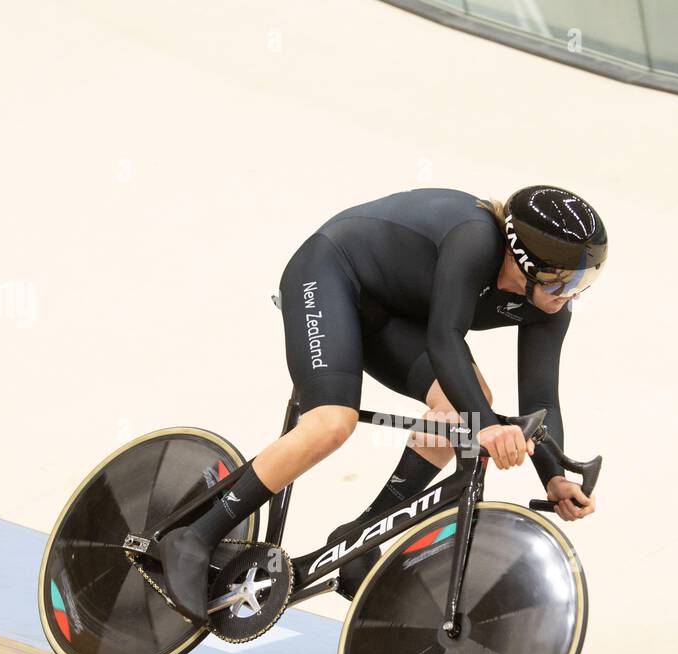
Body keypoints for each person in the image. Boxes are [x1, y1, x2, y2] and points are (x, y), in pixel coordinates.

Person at [160, 185, 605, 617]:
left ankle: (359, 540)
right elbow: (443, 338)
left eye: (586, 280)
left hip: (390, 314)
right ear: (524, 262)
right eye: (567, 280)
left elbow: (542, 397)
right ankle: (195, 536)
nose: (574, 294)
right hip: (331, 274)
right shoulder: (475, 239)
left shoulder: (549, 306)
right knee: (334, 421)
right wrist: (486, 425)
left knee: (464, 407)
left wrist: (553, 477)